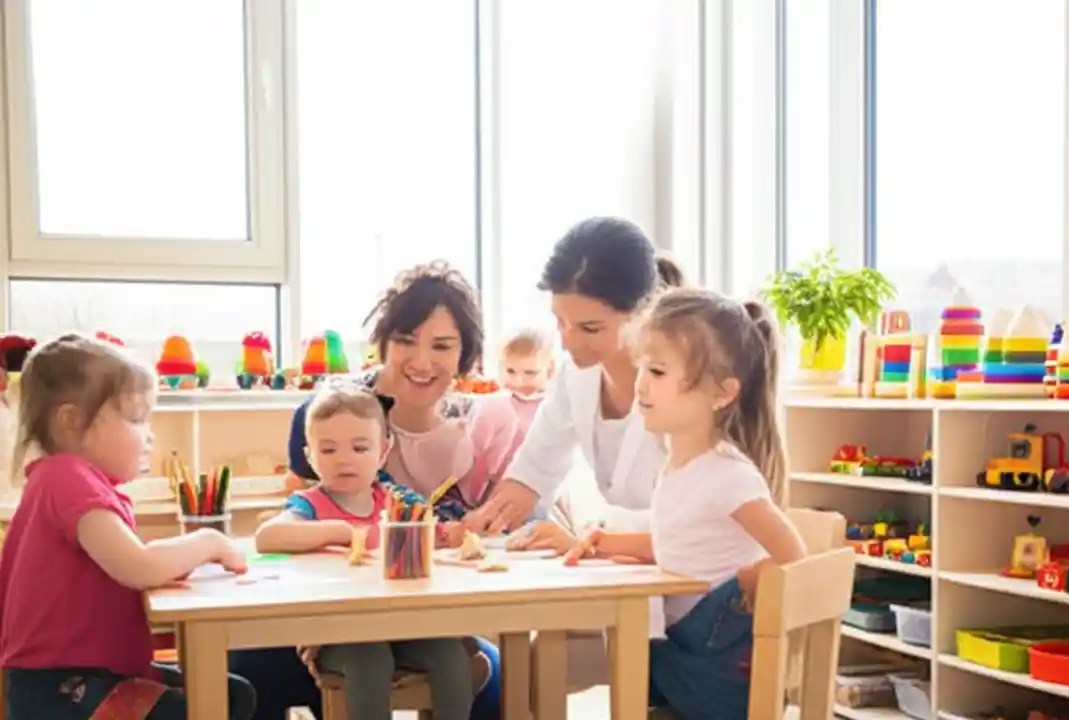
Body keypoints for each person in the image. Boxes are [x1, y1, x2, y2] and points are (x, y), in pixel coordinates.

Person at [231, 261, 507, 720]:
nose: (421, 362)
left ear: (466, 355)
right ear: (382, 343)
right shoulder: (332, 411)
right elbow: (292, 526)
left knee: (488, 676)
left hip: (430, 615)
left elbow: (490, 527)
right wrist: (342, 535)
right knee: (246, 668)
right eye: (405, 341)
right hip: (335, 617)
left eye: (441, 345)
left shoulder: (481, 425)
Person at [564, 289, 807, 720]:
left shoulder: (727, 474)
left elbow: (794, 557)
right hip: (691, 655)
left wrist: (759, 578)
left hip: (718, 674)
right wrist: (608, 543)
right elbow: (680, 546)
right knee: (627, 639)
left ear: (722, 394)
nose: (640, 383)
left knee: (626, 646)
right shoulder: (679, 464)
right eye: (642, 367)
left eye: (657, 371)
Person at [0, 334, 256, 719]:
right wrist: (209, 540)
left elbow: (127, 561)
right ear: (71, 422)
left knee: (231, 695)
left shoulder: (71, 481)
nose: (150, 435)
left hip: (90, 677)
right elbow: (137, 565)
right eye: (137, 418)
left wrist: (178, 558)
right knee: (206, 705)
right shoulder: (68, 478)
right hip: (61, 689)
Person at [256, 384, 473, 720]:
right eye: (328, 450)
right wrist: (342, 532)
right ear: (310, 456)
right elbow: (267, 537)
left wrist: (452, 534)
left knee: (450, 653)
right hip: (333, 635)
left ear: (383, 452)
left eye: (359, 448)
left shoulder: (396, 500)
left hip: (400, 626)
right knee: (371, 660)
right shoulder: (310, 504)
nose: (344, 459)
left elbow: (437, 530)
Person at [466, 216, 684, 549]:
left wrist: (589, 539)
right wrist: (479, 526)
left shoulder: (683, 386)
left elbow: (693, 525)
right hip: (628, 569)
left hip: (689, 578)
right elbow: (534, 469)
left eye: (590, 328)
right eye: (560, 322)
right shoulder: (577, 376)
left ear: (644, 312)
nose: (568, 342)